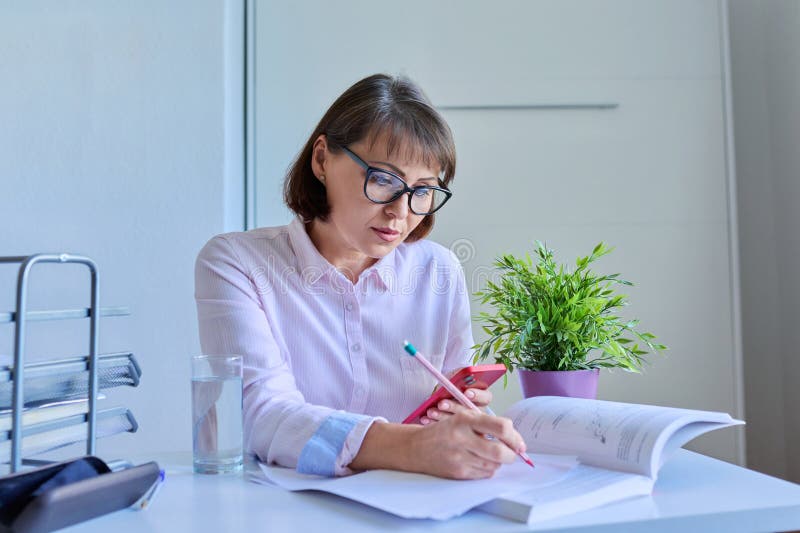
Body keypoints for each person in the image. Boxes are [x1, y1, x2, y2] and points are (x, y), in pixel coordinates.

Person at [194, 73, 526, 480]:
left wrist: (468, 423)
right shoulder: (235, 263)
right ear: (321, 161)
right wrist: (415, 447)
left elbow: (459, 403)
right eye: (384, 179)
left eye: (423, 190)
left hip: (411, 507)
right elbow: (261, 414)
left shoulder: (439, 270)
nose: (401, 212)